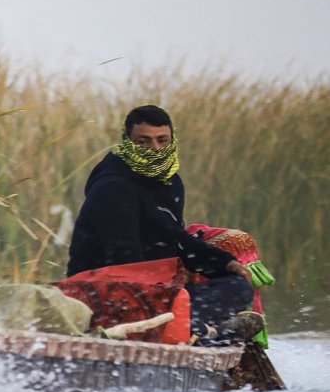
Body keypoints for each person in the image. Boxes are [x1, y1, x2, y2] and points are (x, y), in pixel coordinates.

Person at [66, 104, 259, 339]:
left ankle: (195, 327)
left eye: (162, 140)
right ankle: (198, 330)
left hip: (155, 287)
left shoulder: (170, 182)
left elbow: (174, 238)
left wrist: (225, 264)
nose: (154, 148)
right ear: (127, 141)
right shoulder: (113, 187)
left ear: (171, 140)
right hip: (107, 288)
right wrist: (166, 290)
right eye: (143, 141)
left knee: (237, 285)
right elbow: (122, 257)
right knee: (185, 297)